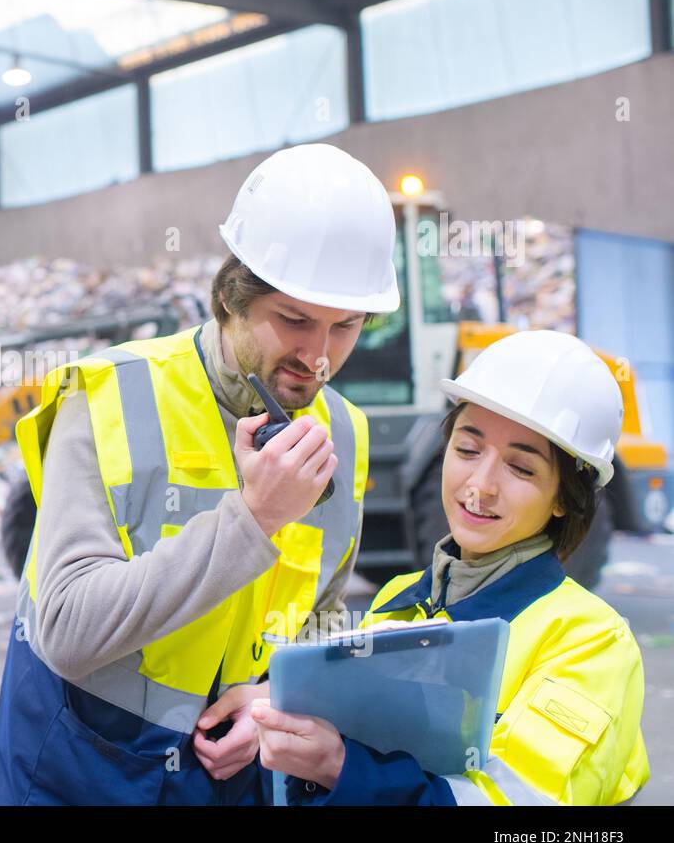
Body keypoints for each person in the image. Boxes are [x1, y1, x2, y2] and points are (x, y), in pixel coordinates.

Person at [0, 143, 399, 805]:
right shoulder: (108, 397)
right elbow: (65, 630)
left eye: (345, 328)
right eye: (293, 320)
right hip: (82, 763)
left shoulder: (343, 431)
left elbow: (321, 614)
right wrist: (255, 520)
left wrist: (275, 700)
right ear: (229, 299)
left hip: (229, 776)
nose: (317, 358)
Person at [242, 329, 649, 805]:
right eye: (467, 449)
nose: (481, 484)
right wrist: (274, 711)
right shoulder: (397, 603)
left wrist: (339, 766)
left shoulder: (591, 640)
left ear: (564, 498)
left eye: (521, 468)